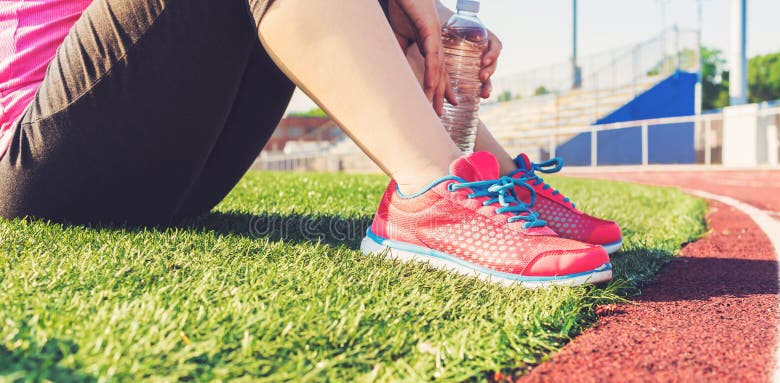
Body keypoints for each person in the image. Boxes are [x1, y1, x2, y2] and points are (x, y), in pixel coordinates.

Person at [0, 0, 619, 286]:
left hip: (175, 176)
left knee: (399, 8)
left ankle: (488, 176)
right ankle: (432, 191)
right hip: (37, 162)